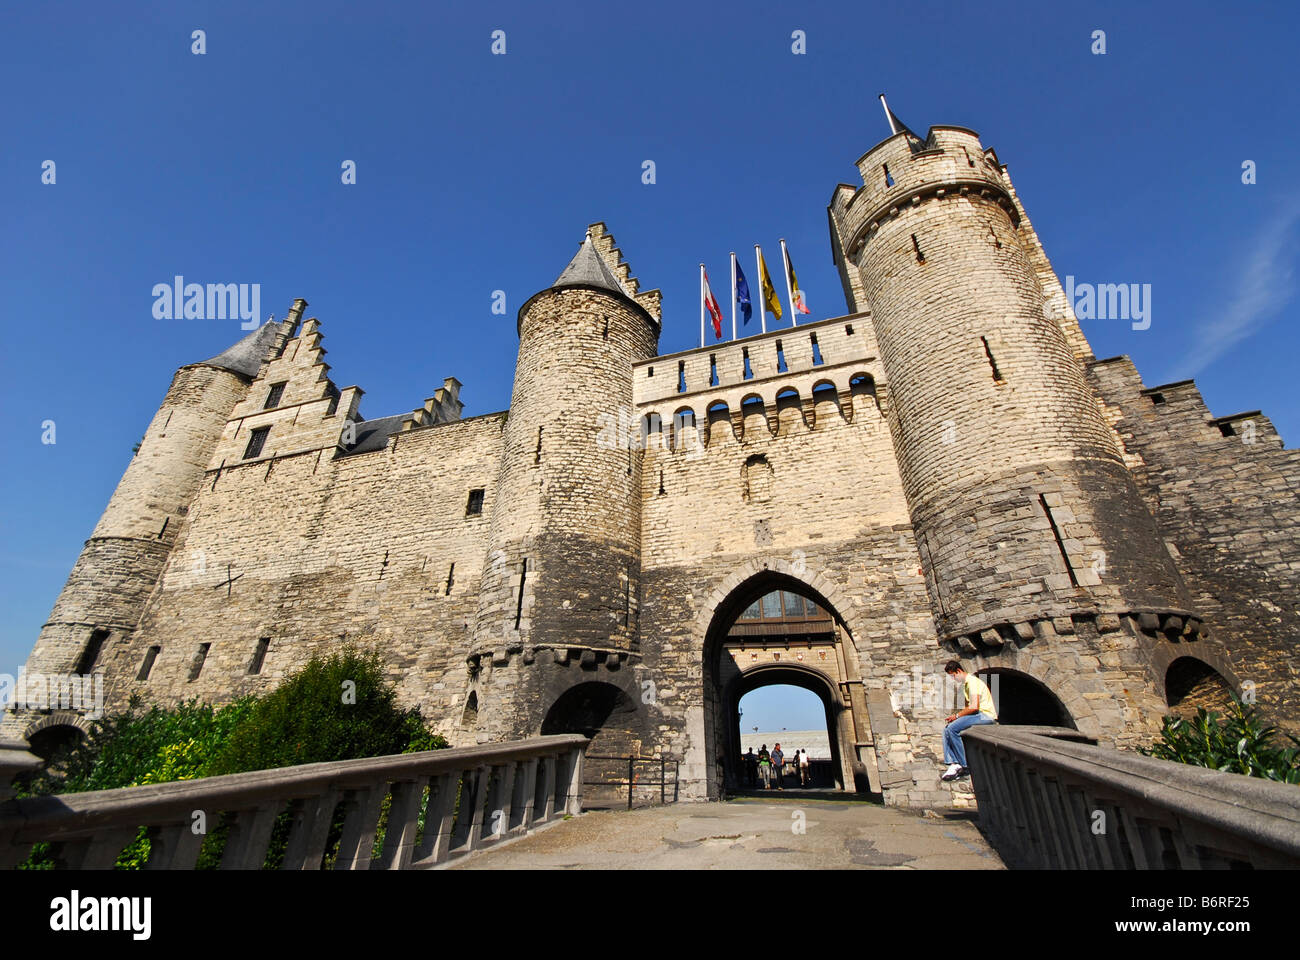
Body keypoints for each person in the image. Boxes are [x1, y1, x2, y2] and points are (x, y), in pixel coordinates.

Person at [942, 660, 997, 781]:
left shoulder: (972, 682)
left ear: (959, 671)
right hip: (979, 714)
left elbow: (974, 706)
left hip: (985, 715)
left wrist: (957, 716)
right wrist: (958, 717)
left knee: (952, 729)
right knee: (947, 729)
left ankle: (964, 764)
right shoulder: (967, 684)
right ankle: (952, 763)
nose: (953, 679)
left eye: (953, 675)